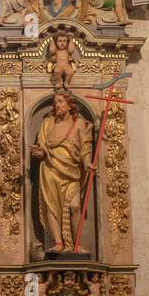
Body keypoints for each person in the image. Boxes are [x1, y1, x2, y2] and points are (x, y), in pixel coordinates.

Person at [30, 91, 94, 254]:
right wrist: (39, 153)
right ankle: (58, 243)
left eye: (60, 101)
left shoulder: (80, 123)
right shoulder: (47, 123)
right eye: (55, 102)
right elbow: (42, 147)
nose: (57, 105)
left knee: (75, 207)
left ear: (69, 104)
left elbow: (85, 147)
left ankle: (77, 244)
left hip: (71, 170)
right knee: (52, 206)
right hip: (50, 169)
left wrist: (87, 164)